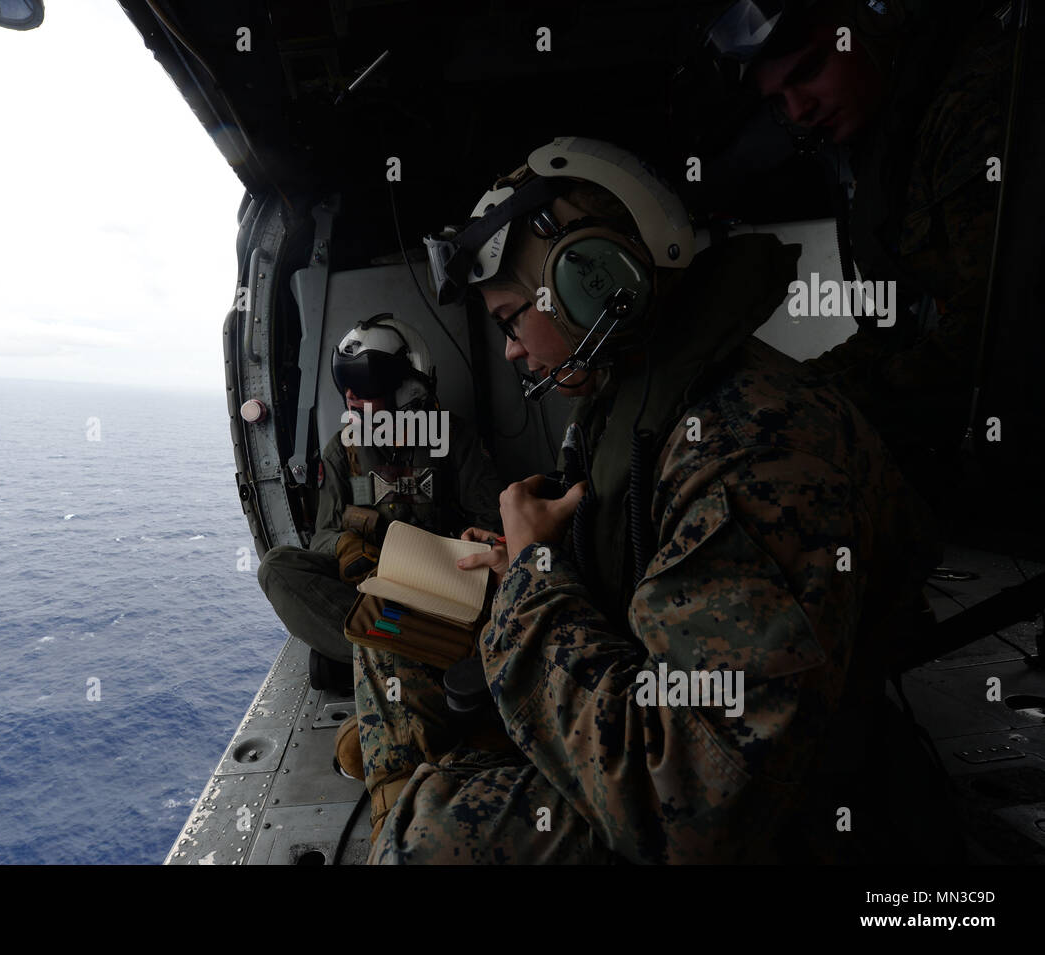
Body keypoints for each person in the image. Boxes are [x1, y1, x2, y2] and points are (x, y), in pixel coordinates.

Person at [350, 135, 950, 863]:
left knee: (429, 842)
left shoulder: (750, 456)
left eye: (511, 319)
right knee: (387, 627)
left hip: (771, 815)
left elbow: (693, 802)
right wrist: (526, 558)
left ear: (594, 282)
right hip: (642, 712)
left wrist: (533, 583)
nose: (509, 349)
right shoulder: (627, 402)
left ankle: (408, 809)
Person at [717, 0, 1014, 521]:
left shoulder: (979, 106)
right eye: (779, 101)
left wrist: (815, 407)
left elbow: (991, 337)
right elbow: (897, 328)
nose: (798, 111)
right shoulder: (883, 137)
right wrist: (781, 393)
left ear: (875, 20)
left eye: (808, 71)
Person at [257, 314, 502, 679]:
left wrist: (451, 554)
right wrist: (344, 547)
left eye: (363, 382)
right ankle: (409, 654)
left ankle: (388, 654)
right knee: (277, 568)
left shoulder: (454, 439)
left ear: (406, 387)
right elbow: (322, 535)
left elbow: (491, 529)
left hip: (445, 586)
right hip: (376, 587)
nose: (351, 395)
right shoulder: (343, 451)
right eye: (345, 382)